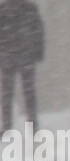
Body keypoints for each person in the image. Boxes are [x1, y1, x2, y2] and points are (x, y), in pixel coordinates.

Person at [0, 0, 44, 133]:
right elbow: (38, 31)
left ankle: (7, 126)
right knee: (28, 92)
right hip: (26, 56)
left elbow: (38, 30)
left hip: (8, 56)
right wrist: (38, 52)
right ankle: (33, 124)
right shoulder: (30, 8)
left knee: (8, 93)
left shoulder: (3, 9)